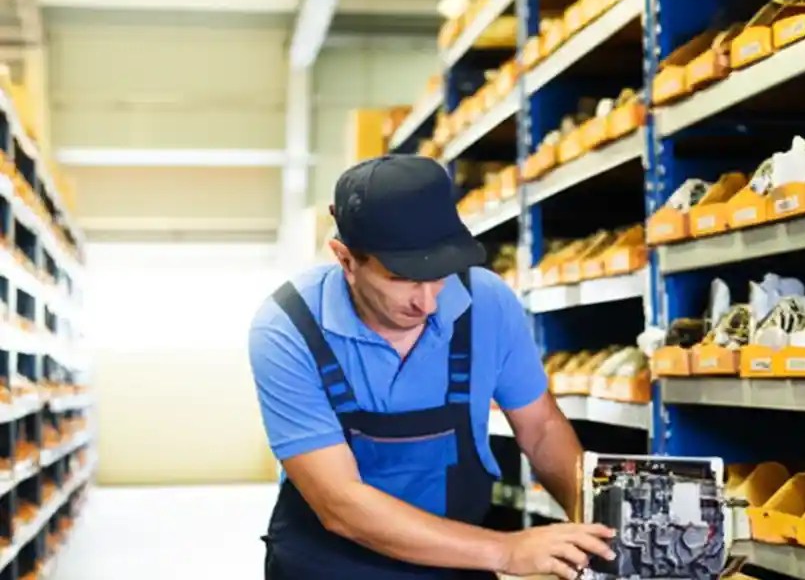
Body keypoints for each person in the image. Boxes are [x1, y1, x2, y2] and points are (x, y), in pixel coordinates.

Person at [248, 155, 616, 579]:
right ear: (346, 260)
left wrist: (596, 524)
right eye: (403, 278)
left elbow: (542, 428)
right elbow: (339, 504)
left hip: (457, 562)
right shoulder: (289, 327)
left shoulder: (486, 303)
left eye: (439, 274)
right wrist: (504, 550)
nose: (427, 302)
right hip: (327, 566)